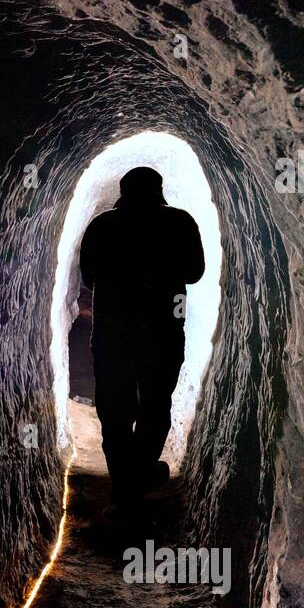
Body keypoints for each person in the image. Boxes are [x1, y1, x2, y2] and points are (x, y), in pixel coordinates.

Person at [78, 166, 204, 513]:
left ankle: (124, 486)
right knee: (155, 404)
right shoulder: (180, 222)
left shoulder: (103, 225)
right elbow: (195, 273)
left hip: (112, 334)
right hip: (162, 331)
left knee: (114, 411)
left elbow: (88, 279)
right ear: (158, 191)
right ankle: (141, 474)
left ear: (123, 192)